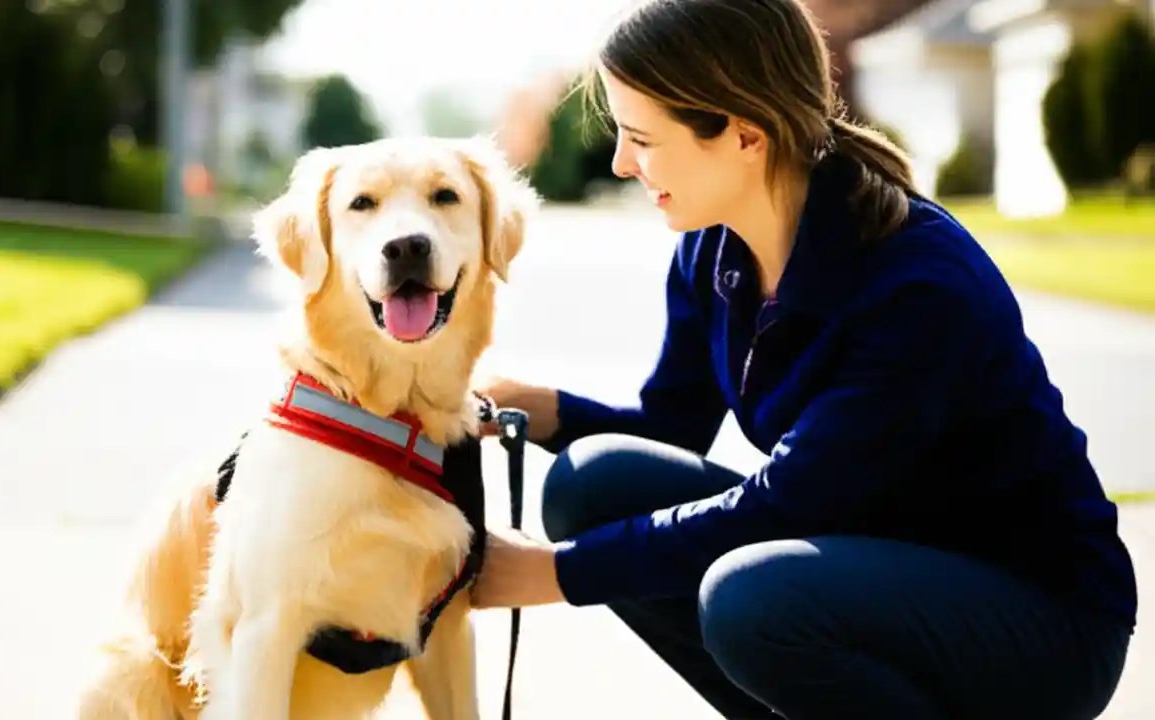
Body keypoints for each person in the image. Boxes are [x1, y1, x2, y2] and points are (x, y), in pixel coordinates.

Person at [467, 1, 1137, 718]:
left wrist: (551, 573)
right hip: (874, 561)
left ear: (745, 134)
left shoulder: (917, 285)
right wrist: (525, 406)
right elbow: (671, 428)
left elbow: (785, 505)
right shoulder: (711, 247)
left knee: (752, 599)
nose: (621, 163)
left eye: (641, 139)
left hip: (1037, 617)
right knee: (590, 486)